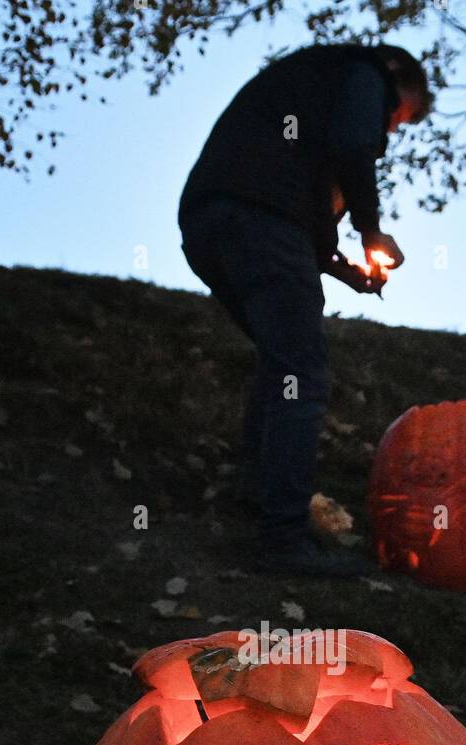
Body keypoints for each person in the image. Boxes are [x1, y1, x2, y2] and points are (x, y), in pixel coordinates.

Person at [178, 42, 433, 577]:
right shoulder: (364, 75)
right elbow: (352, 146)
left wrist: (346, 271)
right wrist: (370, 230)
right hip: (261, 220)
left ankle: (258, 497)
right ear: (394, 75)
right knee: (303, 371)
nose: (390, 130)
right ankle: (283, 538)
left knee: (281, 363)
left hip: (212, 221)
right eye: (398, 116)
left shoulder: (309, 92)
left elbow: (310, 203)